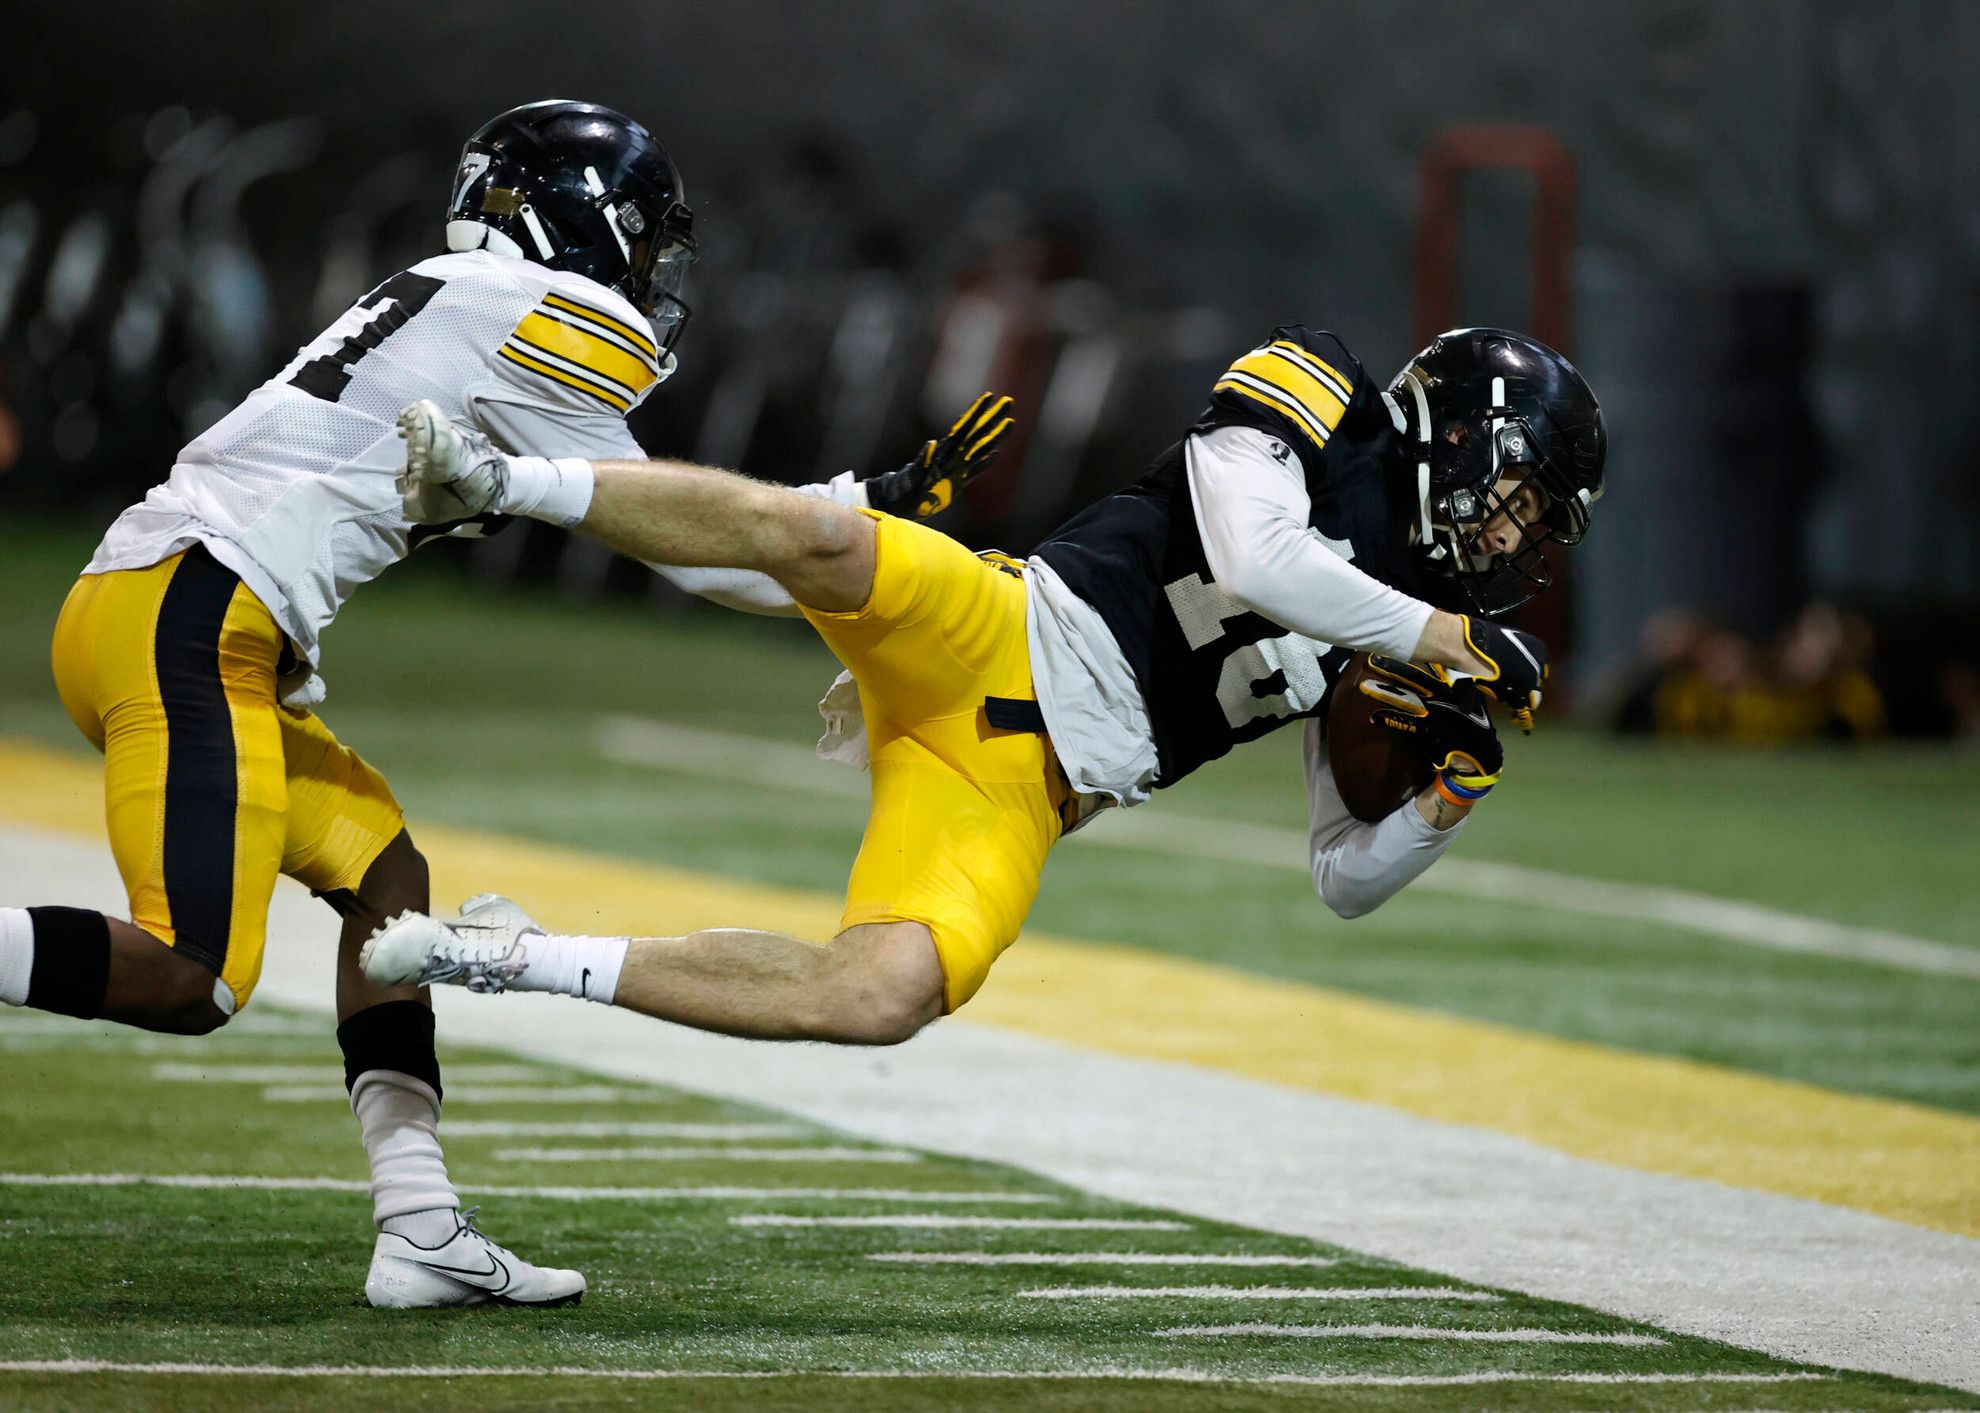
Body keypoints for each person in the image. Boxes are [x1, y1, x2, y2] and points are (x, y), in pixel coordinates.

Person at [0, 98, 957, 1308]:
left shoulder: (450, 296)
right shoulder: (554, 312)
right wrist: (864, 535)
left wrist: (845, 501)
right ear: (581, 223)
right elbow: (702, 549)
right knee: (194, 976)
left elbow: (647, 503)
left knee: (386, 884)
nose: (652, 271)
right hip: (195, 618)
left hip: (155, 606)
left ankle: (419, 1228)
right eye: (644, 237)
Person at [363, 326, 1606, 1045]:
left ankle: (506, 955)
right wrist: (1441, 633)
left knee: (881, 994)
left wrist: (1442, 801)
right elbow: (1255, 556)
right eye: (1518, 504)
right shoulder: (1320, 389)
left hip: (1025, 787)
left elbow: (1343, 878)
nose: (1509, 546)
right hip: (1001, 628)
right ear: (1466, 430)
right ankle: (495, 482)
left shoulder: (1401, 624)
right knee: (828, 538)